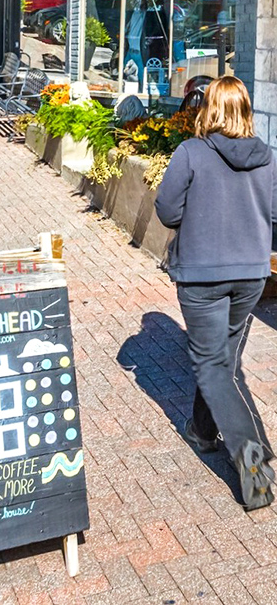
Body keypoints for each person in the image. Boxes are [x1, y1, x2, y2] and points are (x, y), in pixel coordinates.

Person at [155, 76, 276, 511]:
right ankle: (203, 431)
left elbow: (167, 210)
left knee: (210, 366)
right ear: (245, 110)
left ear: (209, 109)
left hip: (203, 276)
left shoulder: (191, 152)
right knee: (222, 361)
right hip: (250, 277)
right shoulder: (269, 159)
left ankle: (255, 465)